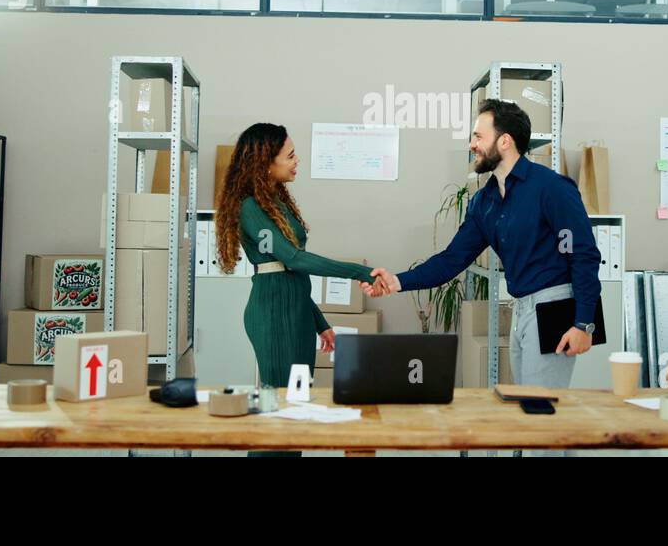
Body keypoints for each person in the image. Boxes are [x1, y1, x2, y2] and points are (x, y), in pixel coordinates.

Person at [365, 99, 601, 390]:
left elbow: (584, 254)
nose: (471, 145)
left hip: (555, 305)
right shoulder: (484, 202)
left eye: (478, 136)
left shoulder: (551, 187)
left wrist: (583, 324)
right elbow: (452, 259)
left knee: (542, 411)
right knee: (527, 407)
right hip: (522, 308)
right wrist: (397, 281)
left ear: (504, 141)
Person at [214, 123, 390, 456]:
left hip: (292, 313)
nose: (298, 161)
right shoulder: (251, 207)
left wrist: (319, 323)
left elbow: (292, 277)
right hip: (272, 317)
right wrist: (361, 271)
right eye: (291, 155)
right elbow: (294, 259)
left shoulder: (276, 201)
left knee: (295, 409)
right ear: (267, 161)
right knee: (277, 415)